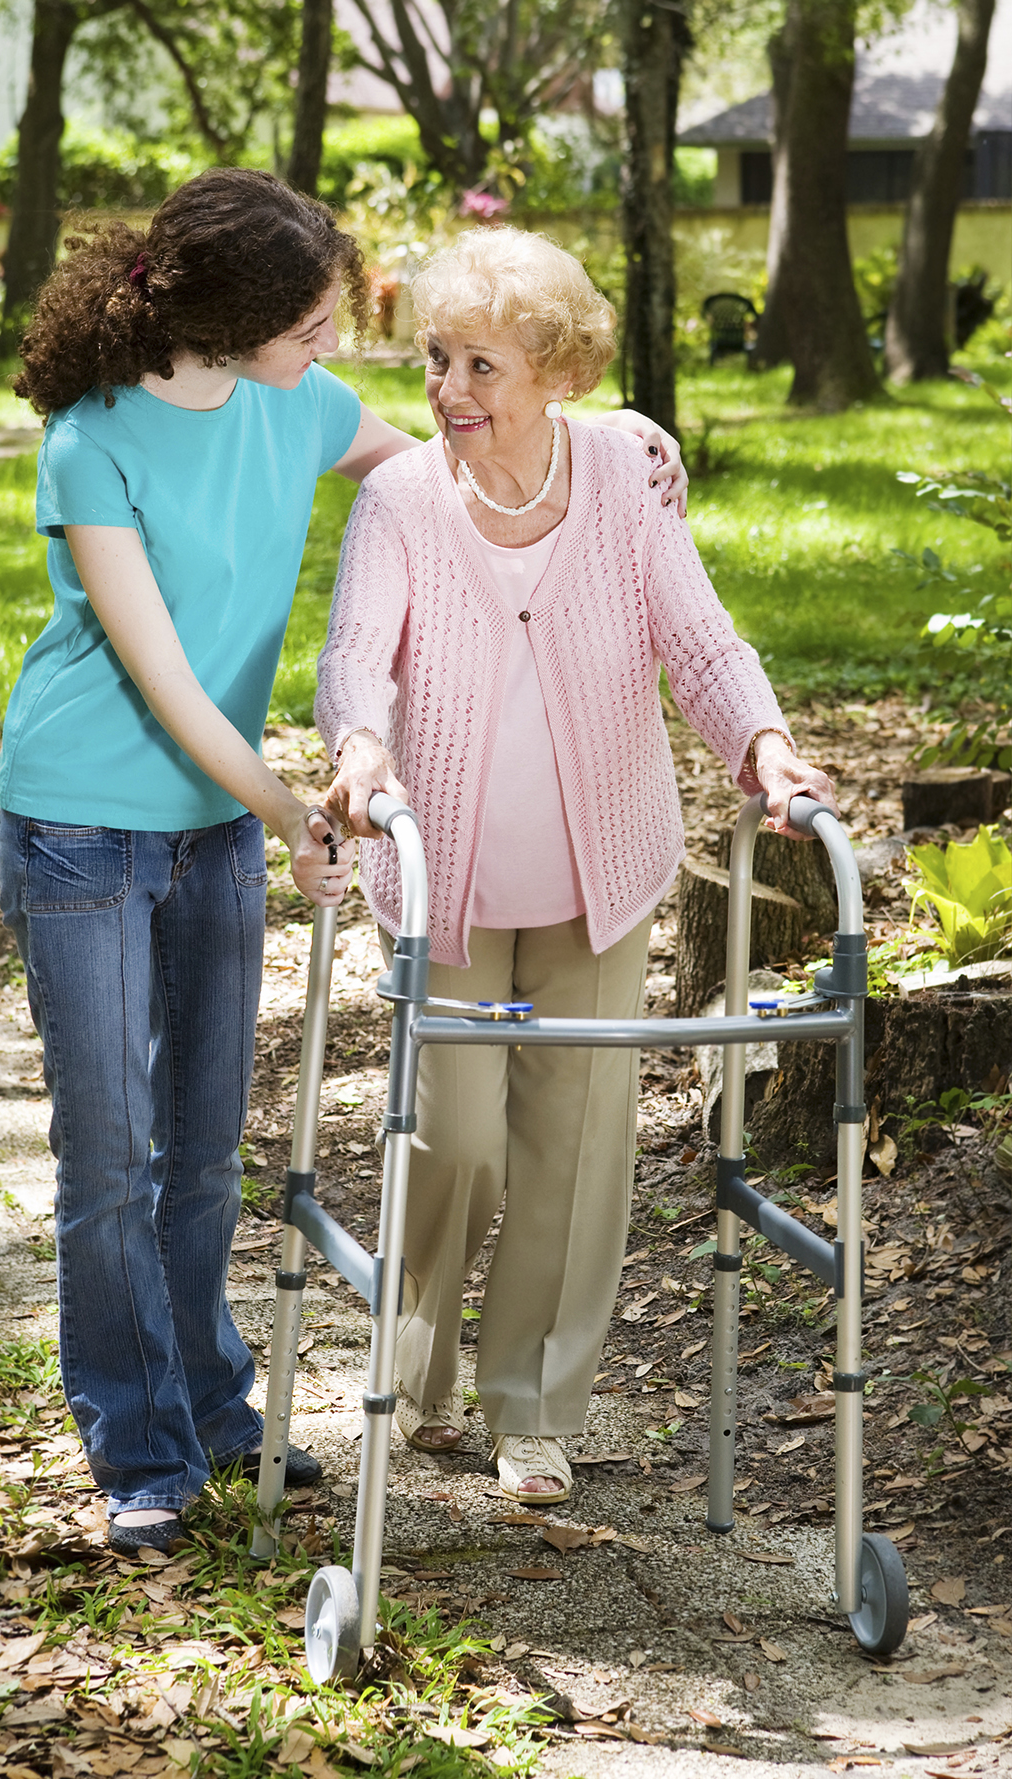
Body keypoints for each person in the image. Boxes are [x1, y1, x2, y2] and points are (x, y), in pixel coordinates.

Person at [0, 172, 686, 1556]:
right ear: (243, 314)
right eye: (312, 320)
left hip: (211, 828)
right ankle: (139, 1447)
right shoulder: (90, 440)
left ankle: (217, 1404)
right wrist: (296, 804)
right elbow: (168, 678)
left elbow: (463, 462)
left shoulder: (295, 403)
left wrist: (621, 441)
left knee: (203, 1149)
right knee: (108, 1158)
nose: (335, 346)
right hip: (80, 815)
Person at [316, 227, 837, 1507]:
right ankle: (417, 1368)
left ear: (552, 370)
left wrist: (763, 747)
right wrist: (362, 750)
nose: (448, 392)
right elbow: (353, 657)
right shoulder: (400, 502)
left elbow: (699, 642)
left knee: (577, 1142)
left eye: (480, 365)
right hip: (444, 885)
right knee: (457, 1142)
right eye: (436, 361)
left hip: (598, 869)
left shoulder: (623, 479)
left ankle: (533, 1410)